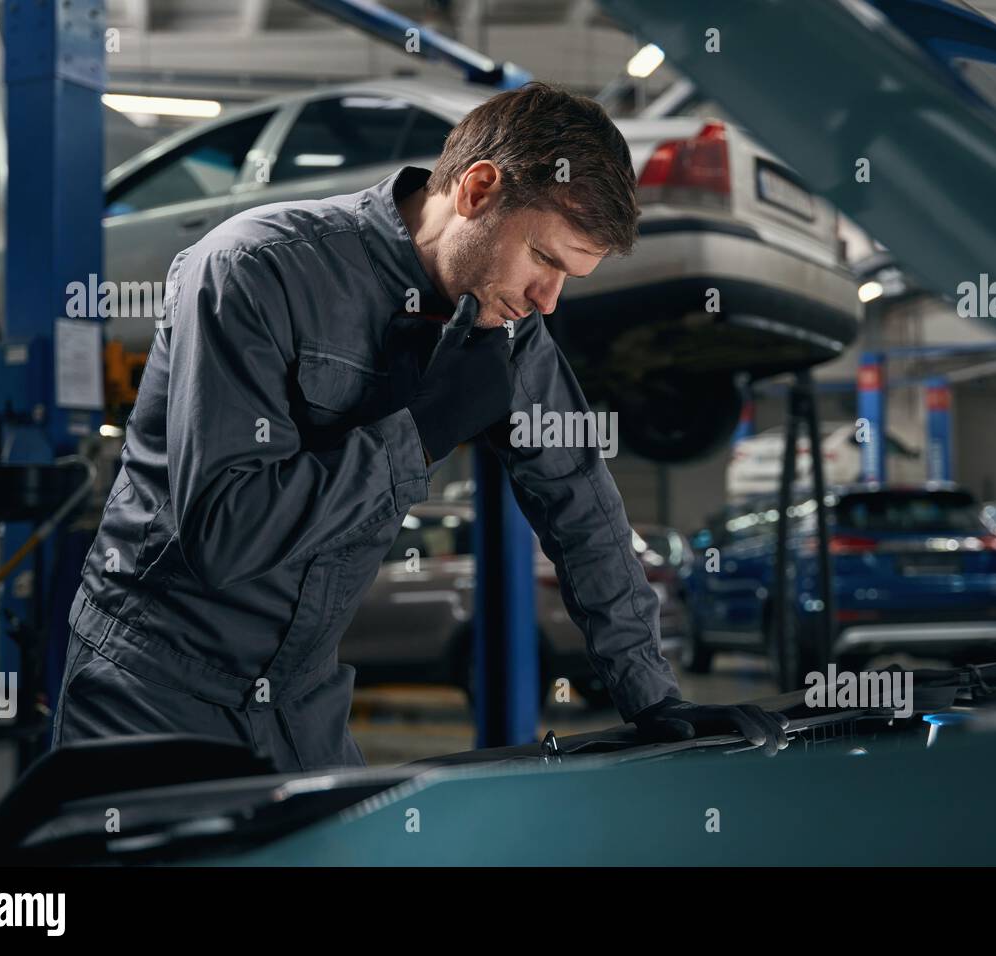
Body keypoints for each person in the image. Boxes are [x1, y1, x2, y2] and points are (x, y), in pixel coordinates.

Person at [52, 81, 787, 772]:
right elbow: (223, 533)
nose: (550, 300)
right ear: (476, 190)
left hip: (302, 697)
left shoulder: (512, 328)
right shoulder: (257, 270)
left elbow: (582, 508)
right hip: (151, 684)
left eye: (570, 277)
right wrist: (421, 430)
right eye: (542, 258)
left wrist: (650, 693)